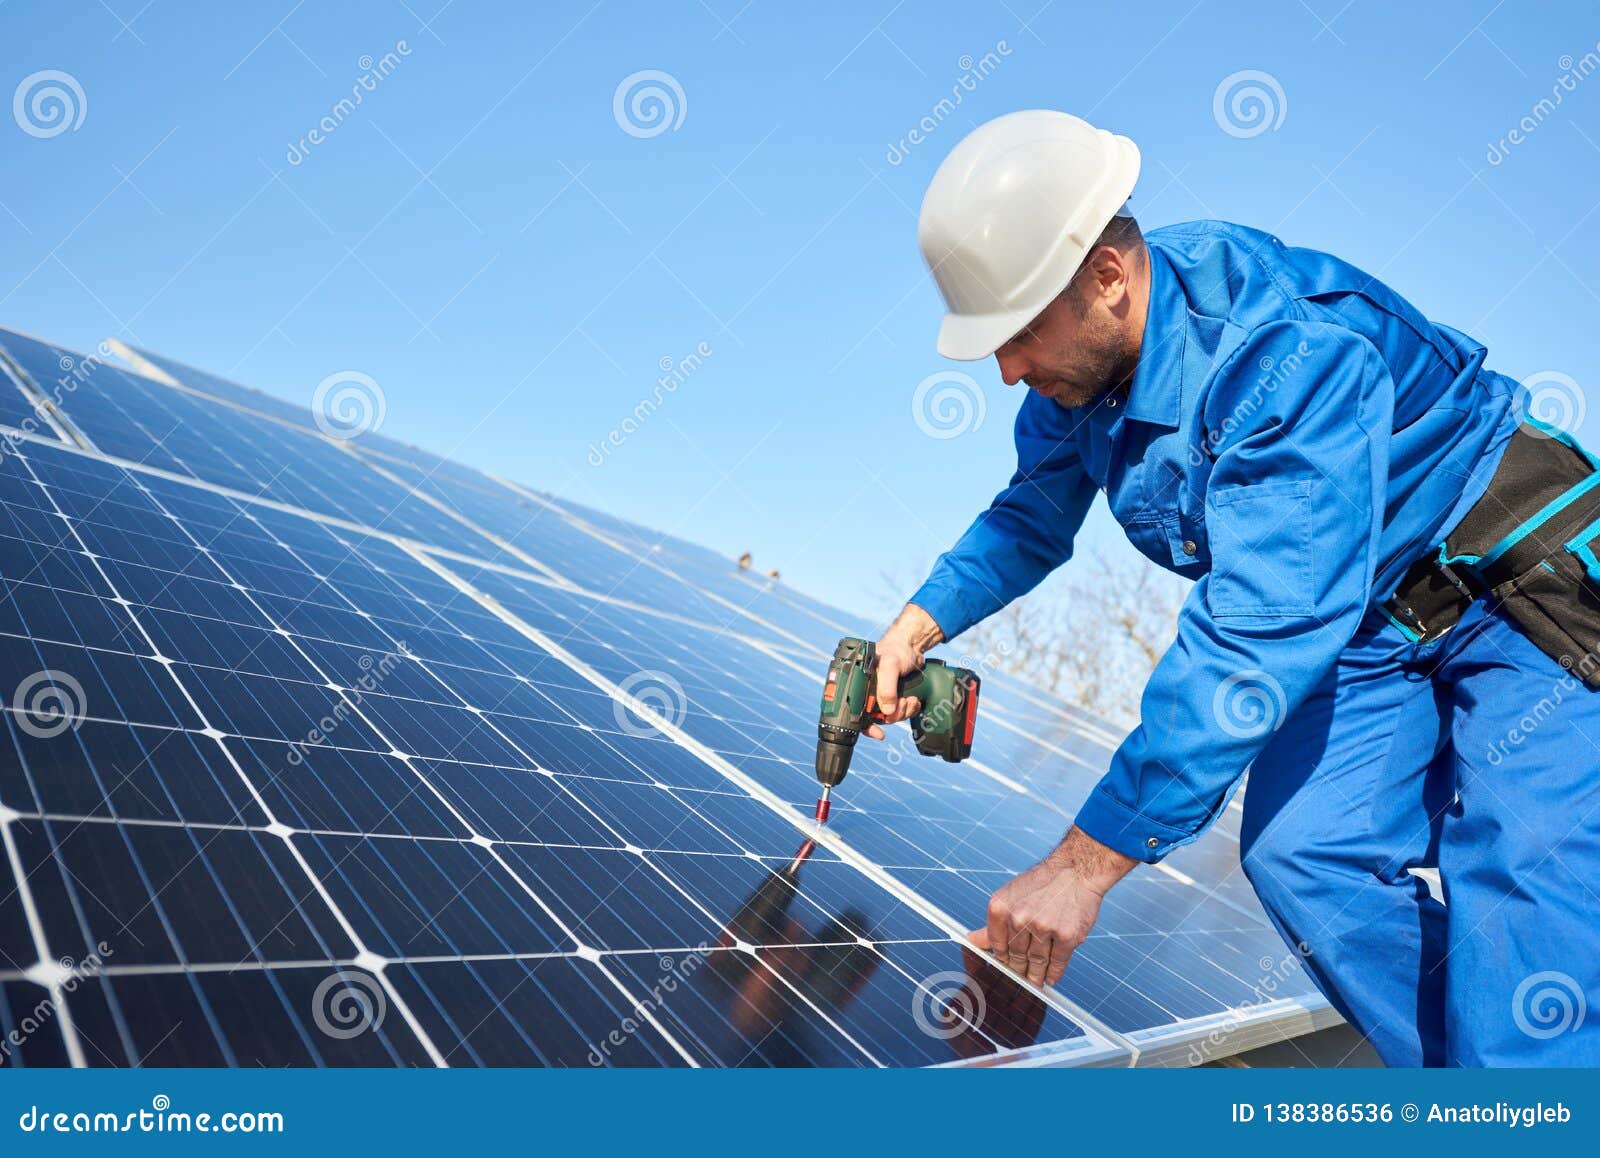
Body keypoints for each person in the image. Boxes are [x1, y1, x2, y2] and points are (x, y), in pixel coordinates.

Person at [868, 109, 1600, 1066]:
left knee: (1520, 894)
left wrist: (1081, 869)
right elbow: (1029, 516)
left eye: (1017, 334)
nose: (1006, 370)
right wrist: (920, 623)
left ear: (1105, 279)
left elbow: (1265, 623)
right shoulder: (1080, 382)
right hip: (1371, 623)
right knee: (1305, 858)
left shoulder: (1278, 352)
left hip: (1512, 583)